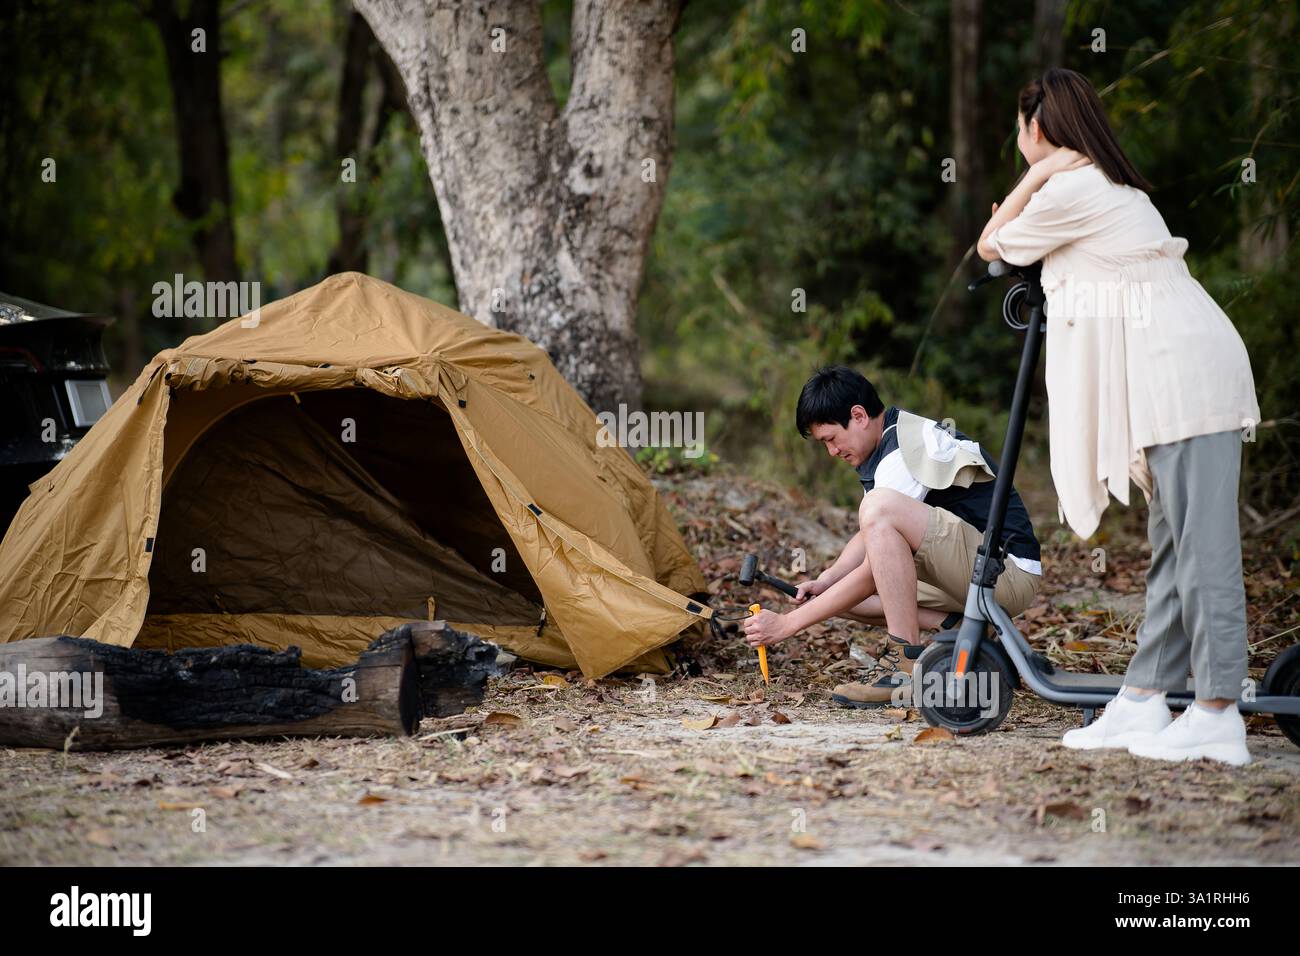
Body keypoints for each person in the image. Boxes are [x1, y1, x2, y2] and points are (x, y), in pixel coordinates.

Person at [978, 68, 1260, 766]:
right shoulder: (1107, 186)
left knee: (1203, 549)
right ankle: (1142, 699)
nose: (1019, 142)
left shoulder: (1072, 190)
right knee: (1175, 546)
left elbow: (990, 244)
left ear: (1036, 128)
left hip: (1184, 376)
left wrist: (1036, 174)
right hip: (1176, 374)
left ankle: (1217, 712)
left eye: (1021, 131)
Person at [742, 366, 1042, 706]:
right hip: (975, 573)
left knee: (876, 515)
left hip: (1007, 576)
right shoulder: (886, 445)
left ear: (858, 416)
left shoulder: (903, 452)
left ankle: (905, 664)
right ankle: (958, 628)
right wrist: (827, 579)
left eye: (831, 439)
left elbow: (873, 563)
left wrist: (787, 625)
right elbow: (872, 538)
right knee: (831, 594)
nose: (832, 451)